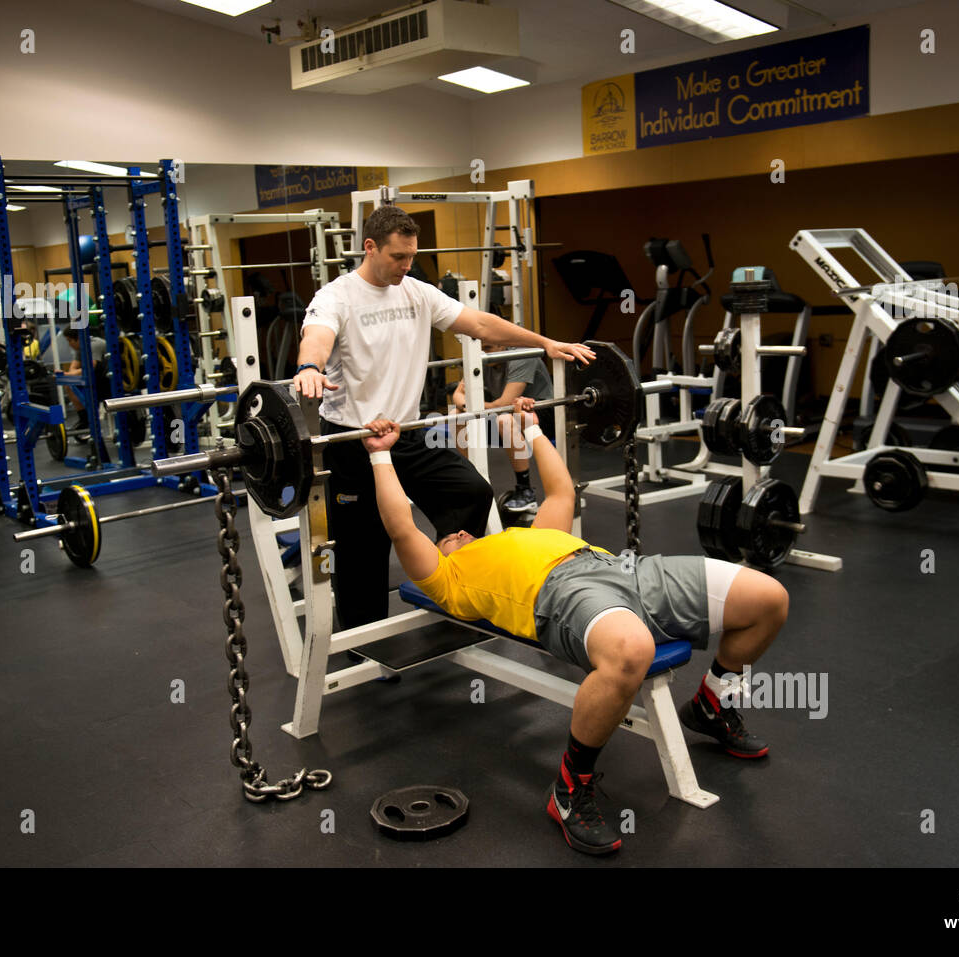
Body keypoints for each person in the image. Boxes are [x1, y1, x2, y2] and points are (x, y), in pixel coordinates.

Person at [360, 398, 790, 855]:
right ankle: (570, 788)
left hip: (625, 570)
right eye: (446, 536)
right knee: (631, 651)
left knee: (769, 598)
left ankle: (711, 705)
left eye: (463, 530)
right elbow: (402, 527)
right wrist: (381, 454)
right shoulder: (450, 579)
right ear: (438, 555)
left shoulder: (523, 534)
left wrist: (532, 430)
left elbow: (562, 493)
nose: (458, 533)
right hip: (561, 595)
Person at [294, 204, 595, 630]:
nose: (406, 265)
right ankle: (365, 641)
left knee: (470, 492)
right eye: (398, 257)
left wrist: (544, 342)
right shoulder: (336, 296)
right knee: (364, 545)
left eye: (412, 256)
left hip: (409, 433)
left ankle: (454, 586)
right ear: (370, 247)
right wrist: (310, 367)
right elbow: (317, 338)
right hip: (351, 440)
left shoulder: (417, 291)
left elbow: (482, 325)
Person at [451, 347, 554, 513]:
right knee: (456, 415)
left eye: (488, 348)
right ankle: (473, 483)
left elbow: (504, 404)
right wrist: (467, 406)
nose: (484, 352)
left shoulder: (521, 356)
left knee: (504, 419)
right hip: (508, 412)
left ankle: (525, 491)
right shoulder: (480, 357)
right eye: (481, 348)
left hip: (542, 412)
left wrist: (472, 405)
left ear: (502, 343)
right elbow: (457, 395)